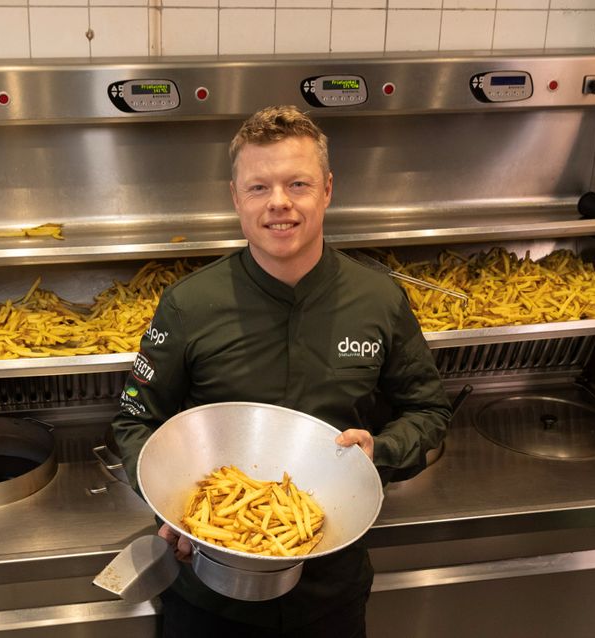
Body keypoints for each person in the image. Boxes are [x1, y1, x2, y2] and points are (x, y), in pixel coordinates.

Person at [111, 105, 451, 637]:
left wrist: (379, 453)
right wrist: (171, 506)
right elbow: (136, 421)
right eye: (258, 187)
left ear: (327, 190)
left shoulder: (379, 300)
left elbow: (428, 411)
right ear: (235, 197)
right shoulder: (188, 305)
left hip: (330, 591)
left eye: (298, 184)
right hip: (208, 593)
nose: (279, 203)